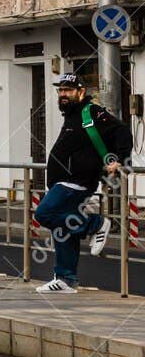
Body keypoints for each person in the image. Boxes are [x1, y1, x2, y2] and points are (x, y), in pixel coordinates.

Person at [33, 72, 129, 292]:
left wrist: (120, 160)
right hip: (63, 182)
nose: (63, 94)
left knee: (44, 214)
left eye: (68, 90)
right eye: (60, 90)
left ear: (81, 92)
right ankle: (66, 279)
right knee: (62, 229)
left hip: (76, 181)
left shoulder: (91, 111)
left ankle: (95, 224)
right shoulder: (72, 115)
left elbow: (122, 130)